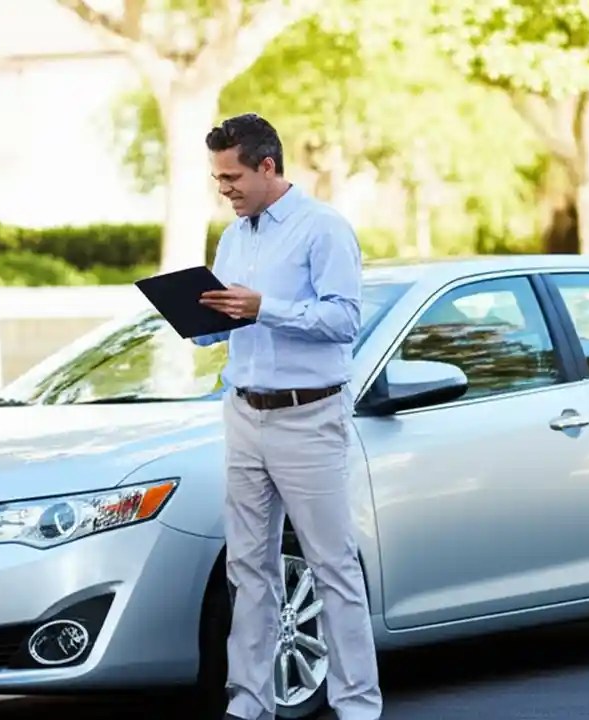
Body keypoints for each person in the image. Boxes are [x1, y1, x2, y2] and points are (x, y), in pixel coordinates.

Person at [192, 113, 382, 720]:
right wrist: (198, 320)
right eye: (218, 178)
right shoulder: (233, 237)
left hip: (309, 417)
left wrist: (263, 308)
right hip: (243, 414)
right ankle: (249, 703)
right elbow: (232, 322)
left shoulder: (322, 229)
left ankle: (356, 706)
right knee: (248, 567)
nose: (224, 188)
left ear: (267, 166)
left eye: (232, 176)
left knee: (333, 566)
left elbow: (343, 321)